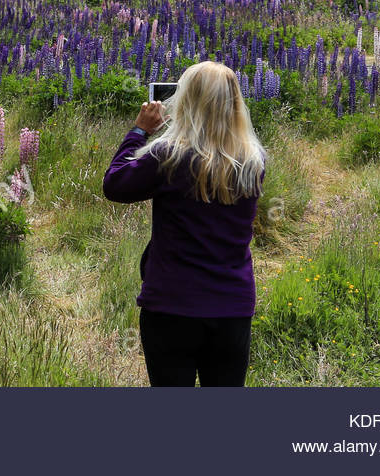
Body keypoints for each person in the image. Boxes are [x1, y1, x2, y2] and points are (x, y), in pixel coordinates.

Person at [102, 61, 267, 386]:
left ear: (187, 102)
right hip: (231, 307)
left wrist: (139, 131)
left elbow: (114, 185)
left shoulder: (169, 156)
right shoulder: (253, 162)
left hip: (172, 304)